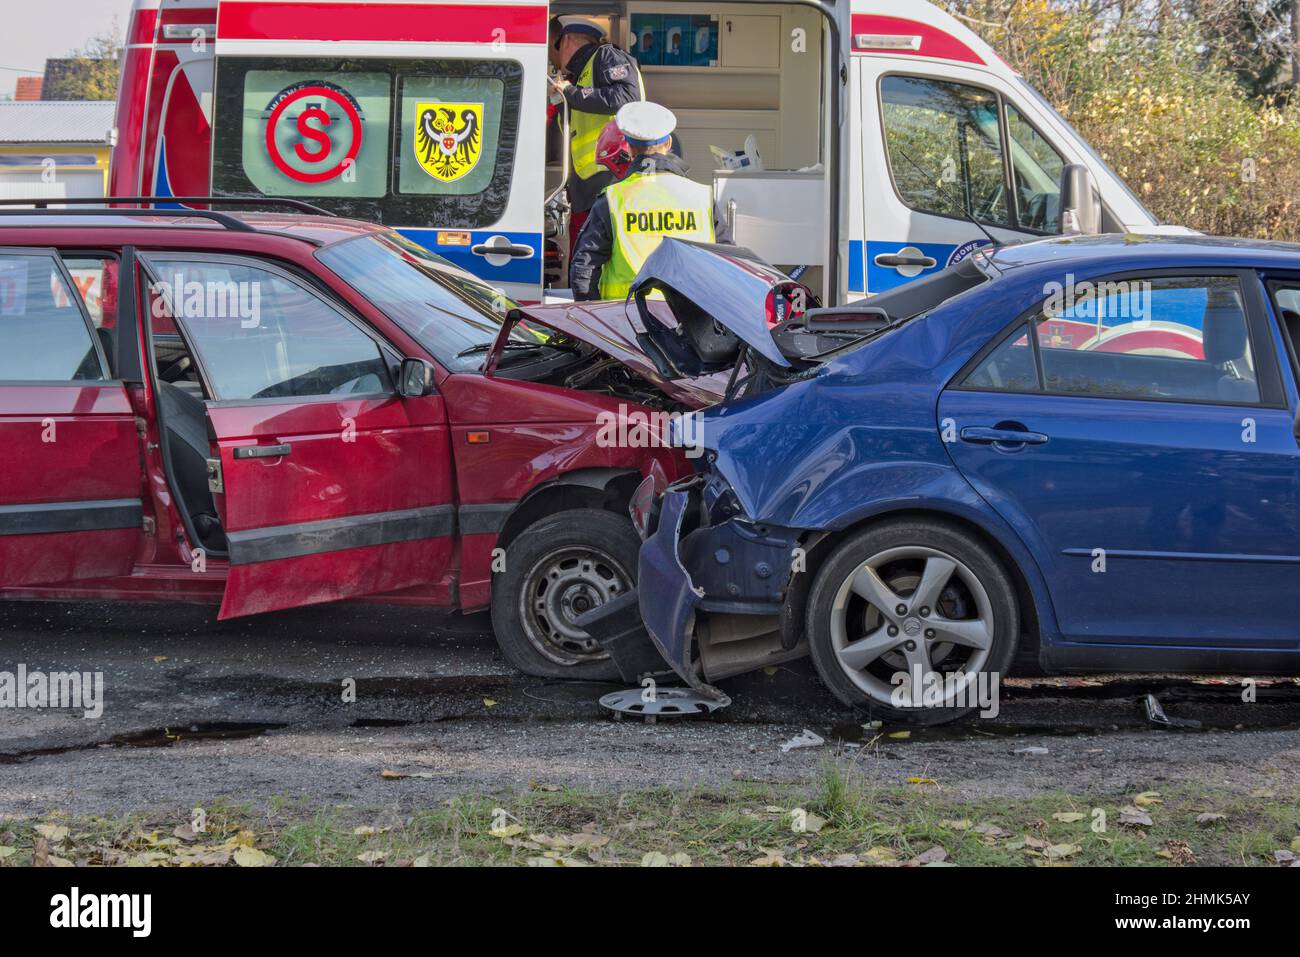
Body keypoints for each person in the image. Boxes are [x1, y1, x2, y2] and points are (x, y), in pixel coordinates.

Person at [570, 101, 732, 301]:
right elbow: (730, 262)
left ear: (628, 148)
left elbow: (584, 268)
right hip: (692, 319)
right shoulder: (702, 197)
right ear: (669, 143)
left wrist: (593, 320)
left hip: (628, 320)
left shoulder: (613, 199)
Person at [548, 16, 644, 251]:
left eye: (555, 49)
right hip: (588, 187)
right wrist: (560, 99)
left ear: (568, 40)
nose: (555, 59)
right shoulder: (580, 76)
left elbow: (626, 97)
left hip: (610, 180)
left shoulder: (606, 56)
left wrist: (571, 93)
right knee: (583, 259)